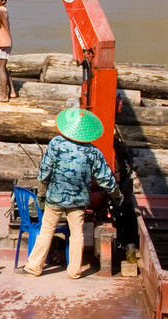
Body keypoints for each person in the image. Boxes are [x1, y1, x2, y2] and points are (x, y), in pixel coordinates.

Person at [18, 108, 120, 280]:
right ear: (87, 132)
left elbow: (44, 172)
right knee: (77, 233)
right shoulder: (93, 152)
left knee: (46, 230)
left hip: (55, 198)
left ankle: (34, 267)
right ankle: (74, 271)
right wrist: (116, 195)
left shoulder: (56, 144)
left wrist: (42, 191)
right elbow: (105, 178)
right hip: (79, 200)